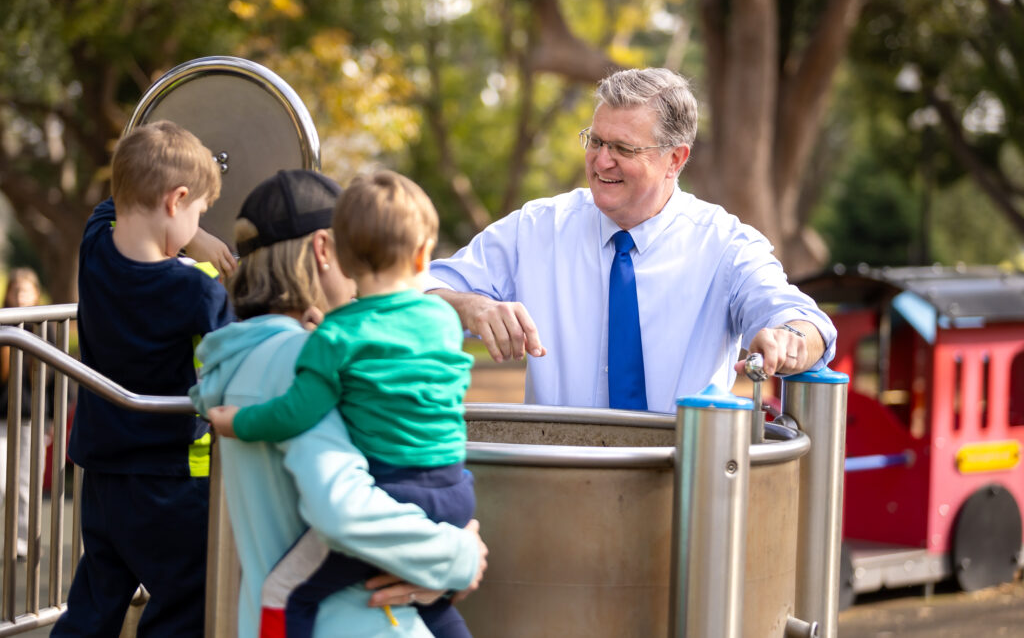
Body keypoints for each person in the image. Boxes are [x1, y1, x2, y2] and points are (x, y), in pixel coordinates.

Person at [426, 67, 837, 413]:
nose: (602, 161)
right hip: (555, 481)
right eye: (597, 141)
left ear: (675, 159)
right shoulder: (536, 228)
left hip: (685, 481)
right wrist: (471, 305)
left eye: (623, 148)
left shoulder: (727, 246)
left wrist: (791, 339)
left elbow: (806, 321)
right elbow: (416, 295)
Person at [192, 169, 484, 638]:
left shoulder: (239, 360)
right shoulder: (302, 359)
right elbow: (342, 508)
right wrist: (457, 556)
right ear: (325, 250)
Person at [53, 120, 234, 637]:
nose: (201, 225)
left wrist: (188, 231)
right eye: (200, 210)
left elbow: (114, 203)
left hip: (101, 473)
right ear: (176, 201)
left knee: (93, 602)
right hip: (168, 480)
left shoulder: (93, 250)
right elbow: (237, 353)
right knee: (184, 600)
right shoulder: (196, 292)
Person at [0, 267, 48, 559]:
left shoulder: (46, 328)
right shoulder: (3, 327)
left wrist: (51, 420)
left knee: (26, 487)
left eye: (25, 291)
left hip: (32, 420)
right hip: (1, 421)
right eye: (15, 291)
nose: (19, 297)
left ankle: (21, 543)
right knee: (2, 483)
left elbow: (57, 382)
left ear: (36, 296)